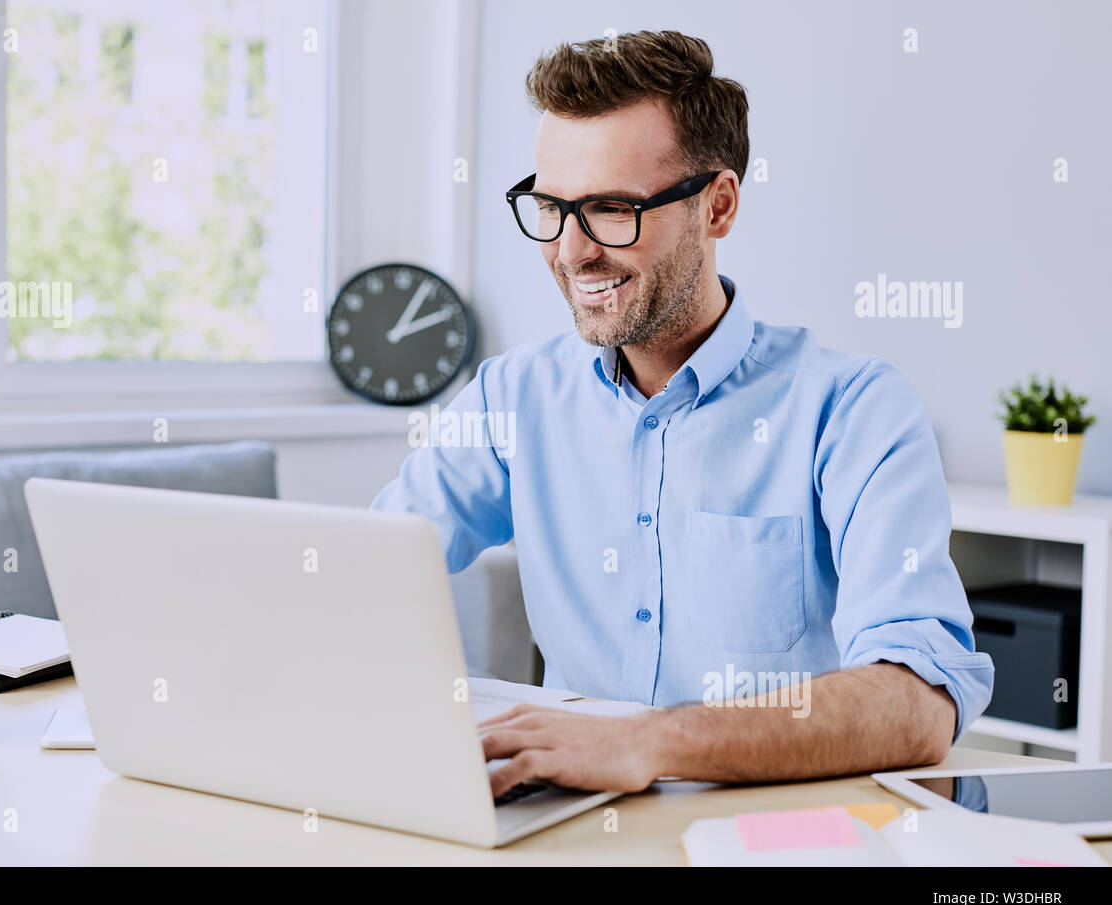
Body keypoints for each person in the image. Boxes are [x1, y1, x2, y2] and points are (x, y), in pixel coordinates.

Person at [372, 29, 993, 797]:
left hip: (778, 833)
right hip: (570, 826)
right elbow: (366, 577)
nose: (571, 251)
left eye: (609, 209)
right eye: (552, 207)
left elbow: (918, 702)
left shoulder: (853, 410)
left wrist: (654, 742)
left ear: (718, 206)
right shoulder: (512, 398)